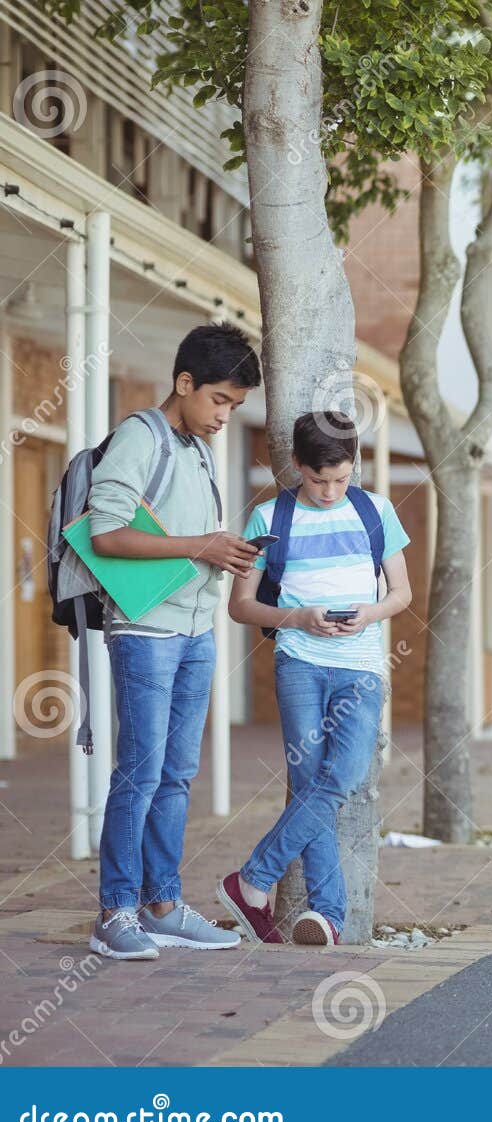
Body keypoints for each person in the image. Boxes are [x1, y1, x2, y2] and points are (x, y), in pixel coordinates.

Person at [87, 323, 261, 960]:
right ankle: (115, 911)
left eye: (236, 407)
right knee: (139, 772)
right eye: (219, 400)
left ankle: (162, 904)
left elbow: (189, 540)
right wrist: (200, 545)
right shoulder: (141, 437)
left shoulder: (198, 450)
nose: (225, 415)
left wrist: (226, 554)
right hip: (145, 631)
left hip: (195, 629)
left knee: (178, 774)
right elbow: (106, 533)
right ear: (184, 384)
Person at [218, 412, 412, 946]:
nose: (330, 491)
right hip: (299, 663)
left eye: (342, 479)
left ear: (355, 468)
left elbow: (402, 594)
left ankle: (252, 880)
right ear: (297, 466)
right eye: (318, 479)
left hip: (362, 669)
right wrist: (298, 618)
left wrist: (368, 615)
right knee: (309, 784)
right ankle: (327, 915)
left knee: (342, 777)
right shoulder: (268, 517)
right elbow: (241, 606)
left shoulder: (376, 511)